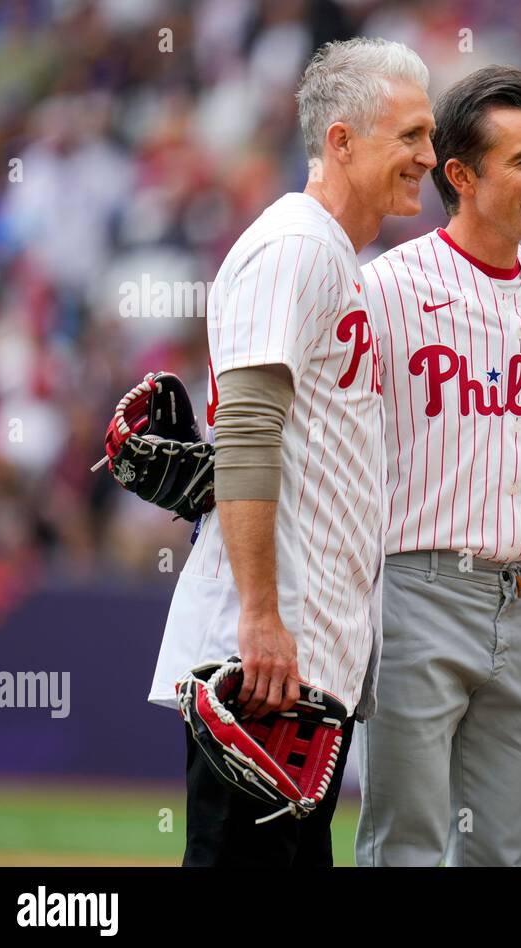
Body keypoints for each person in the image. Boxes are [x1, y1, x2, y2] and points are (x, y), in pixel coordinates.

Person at [146, 37, 436, 867]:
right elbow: (244, 430)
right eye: (409, 135)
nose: (428, 154)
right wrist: (262, 616)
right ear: (340, 140)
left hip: (303, 647)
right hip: (269, 651)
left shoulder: (335, 257)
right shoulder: (296, 246)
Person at [355, 65, 521, 867]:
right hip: (417, 586)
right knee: (407, 842)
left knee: (501, 851)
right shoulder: (384, 287)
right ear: (461, 174)